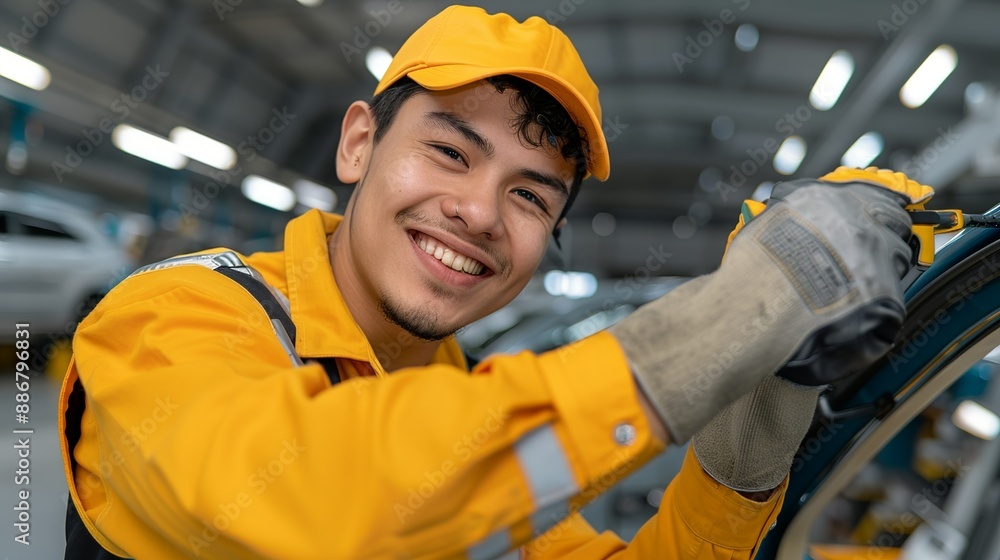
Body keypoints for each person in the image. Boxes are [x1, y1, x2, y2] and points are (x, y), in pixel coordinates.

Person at [58, 5, 933, 559]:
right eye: (449, 151)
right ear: (359, 143)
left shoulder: (468, 422)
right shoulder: (176, 318)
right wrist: (711, 329)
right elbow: (313, 494)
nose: (479, 213)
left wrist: (753, 434)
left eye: (528, 195)